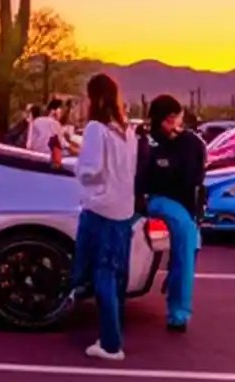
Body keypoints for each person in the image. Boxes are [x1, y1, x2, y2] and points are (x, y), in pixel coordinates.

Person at [71, 73, 138, 360]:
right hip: (124, 209)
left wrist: (78, 169)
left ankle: (111, 344)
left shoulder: (96, 129)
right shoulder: (127, 130)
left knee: (99, 273)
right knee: (116, 275)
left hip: (101, 208)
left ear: (94, 98)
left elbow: (91, 169)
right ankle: (112, 334)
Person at [138, 94, 207, 332]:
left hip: (187, 203)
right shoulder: (146, 141)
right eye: (169, 118)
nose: (173, 123)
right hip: (158, 199)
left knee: (192, 243)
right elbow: (143, 177)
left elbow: (195, 177)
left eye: (175, 118)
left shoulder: (190, 142)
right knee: (186, 233)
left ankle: (175, 281)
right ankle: (178, 313)